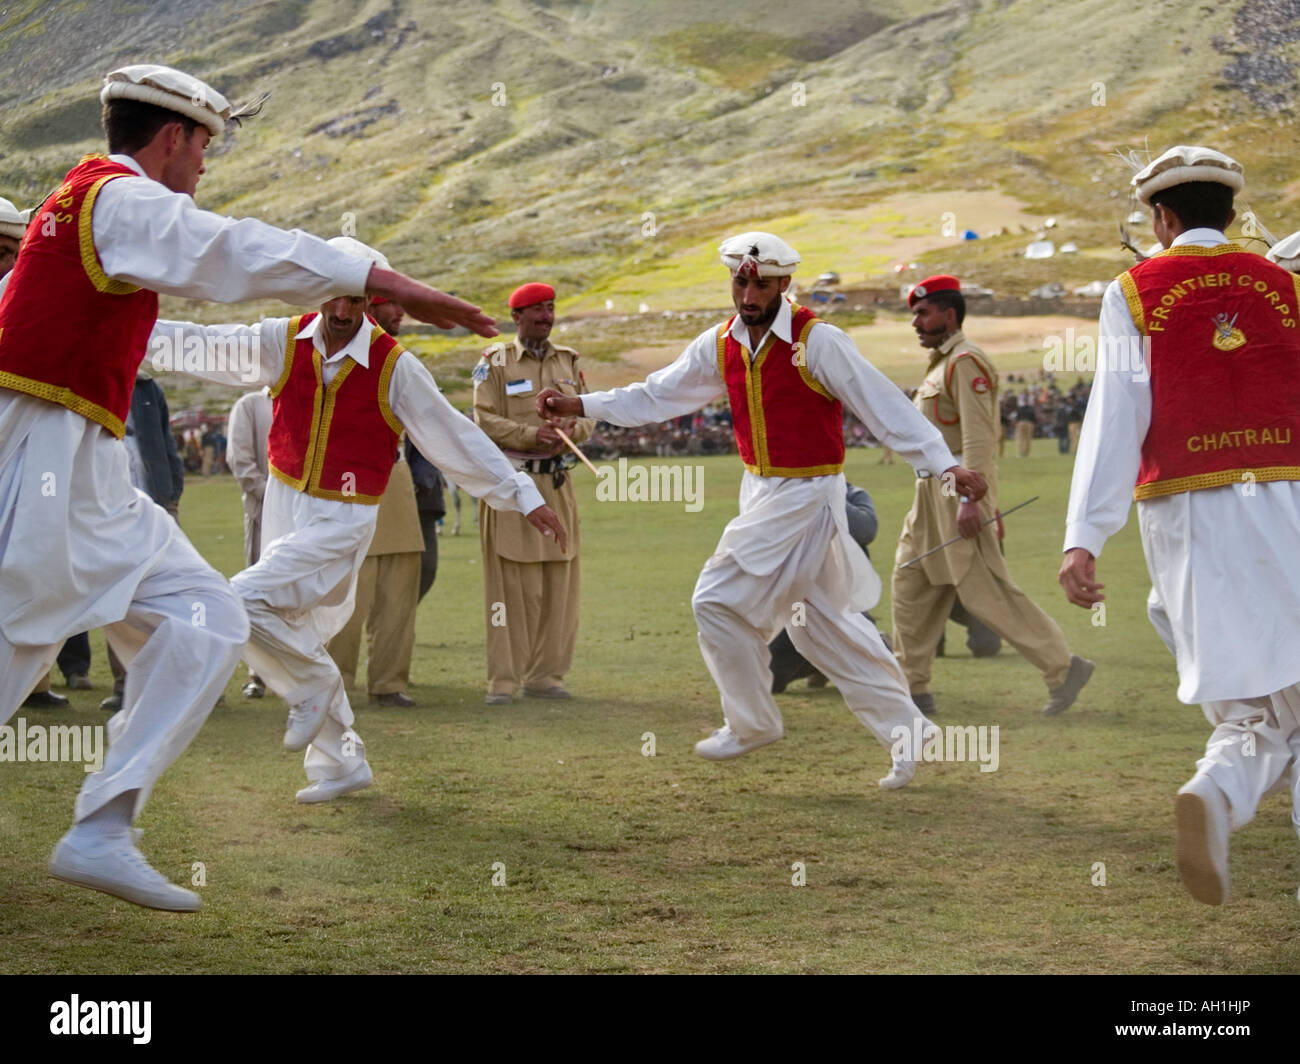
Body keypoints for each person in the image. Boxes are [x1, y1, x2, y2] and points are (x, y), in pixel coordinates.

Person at [0, 63, 501, 912]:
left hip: (85, 463)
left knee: (209, 616)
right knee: (14, 640)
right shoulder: (116, 201)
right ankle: (101, 827)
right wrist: (381, 279)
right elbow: (228, 251)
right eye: (205, 147)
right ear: (173, 138)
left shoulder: (82, 209)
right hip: (43, 458)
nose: (205, 168)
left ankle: (104, 824)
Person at [538, 232, 988, 788]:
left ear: (784, 284)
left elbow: (883, 403)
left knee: (714, 599)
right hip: (761, 491)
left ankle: (750, 722)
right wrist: (579, 404)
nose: (748, 294)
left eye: (761, 284)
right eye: (740, 281)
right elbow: (657, 395)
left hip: (807, 495)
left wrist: (943, 464)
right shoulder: (720, 342)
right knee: (823, 630)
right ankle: (912, 733)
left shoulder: (817, 342)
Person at [157, 237, 566, 803]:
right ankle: (341, 762)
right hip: (283, 500)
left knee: (241, 599)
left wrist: (521, 493)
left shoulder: (396, 366)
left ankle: (315, 687)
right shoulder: (281, 339)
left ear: (373, 299)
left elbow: (453, 436)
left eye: (356, 300)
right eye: (333, 297)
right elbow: (200, 345)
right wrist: (116, 328)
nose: (344, 313)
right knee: (289, 624)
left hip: (343, 516)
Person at [1060, 145, 1300, 906]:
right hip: (1289, 502)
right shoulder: (1284, 285)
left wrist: (1084, 536)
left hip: (1186, 517)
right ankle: (1223, 793)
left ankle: (1221, 787)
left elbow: (1114, 419)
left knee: (1249, 701)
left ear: (1161, 217)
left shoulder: (1134, 290)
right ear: (1231, 213)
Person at [892, 275, 1093, 717]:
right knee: (911, 583)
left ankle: (1064, 668)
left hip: (958, 490)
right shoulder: (940, 364)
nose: (916, 323)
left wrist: (970, 501)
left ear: (949, 314)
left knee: (988, 594)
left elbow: (979, 439)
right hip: (929, 493)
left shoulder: (965, 362)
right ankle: (912, 688)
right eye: (914, 315)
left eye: (924, 313)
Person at [473, 282, 592, 705]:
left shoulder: (568, 360)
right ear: (516, 317)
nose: (546, 316)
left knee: (559, 583)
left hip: (558, 482)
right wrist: (530, 434)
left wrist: (574, 428)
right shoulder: (495, 362)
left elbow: (589, 411)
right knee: (512, 589)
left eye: (550, 308)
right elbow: (482, 418)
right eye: (536, 310)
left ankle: (547, 677)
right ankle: (503, 682)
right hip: (513, 486)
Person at [324, 292, 425, 709]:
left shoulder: (400, 361)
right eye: (391, 305)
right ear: (369, 308)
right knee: (349, 595)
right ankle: (333, 684)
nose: (401, 312)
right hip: (346, 487)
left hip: (395, 482)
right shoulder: (334, 355)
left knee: (399, 592)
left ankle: (388, 682)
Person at [97, 369, 186, 713]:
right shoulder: (95, 379)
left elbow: (166, 443)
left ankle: (181, 679)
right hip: (113, 511)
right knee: (120, 599)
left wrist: (173, 491)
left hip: (158, 507)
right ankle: (126, 685)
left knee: (172, 596)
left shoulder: (149, 388)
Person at [225, 387, 273, 698]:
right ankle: (258, 673)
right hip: (263, 514)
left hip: (307, 516)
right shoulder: (250, 406)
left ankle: (300, 672)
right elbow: (240, 462)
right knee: (258, 593)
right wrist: (276, 498)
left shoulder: (309, 397)